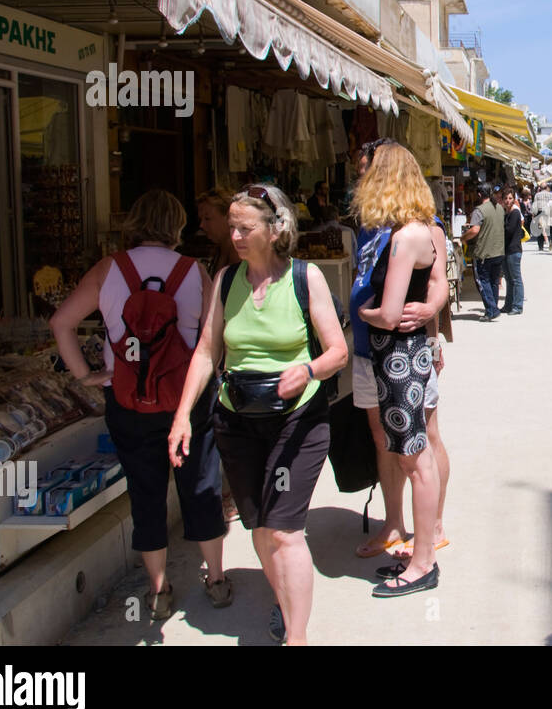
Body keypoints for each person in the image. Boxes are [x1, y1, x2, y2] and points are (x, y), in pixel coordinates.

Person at [170, 184, 347, 645]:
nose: (235, 236)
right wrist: (183, 414)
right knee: (261, 527)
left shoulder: (306, 279)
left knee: (285, 530)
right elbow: (207, 353)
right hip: (237, 421)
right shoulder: (227, 281)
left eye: (245, 228)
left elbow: (338, 353)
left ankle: (296, 635)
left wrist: (306, 369)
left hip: (298, 422)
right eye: (231, 227)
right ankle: (283, 599)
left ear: (275, 229)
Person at [50, 190, 229, 621]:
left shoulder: (109, 269)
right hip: (186, 400)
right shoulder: (192, 271)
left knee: (144, 492)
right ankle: (217, 579)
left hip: (128, 400)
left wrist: (86, 376)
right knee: (201, 485)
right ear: (176, 226)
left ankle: (158, 589)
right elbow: (214, 340)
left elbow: (60, 323)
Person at [353, 143, 444, 597]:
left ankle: (422, 563)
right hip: (414, 355)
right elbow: (440, 286)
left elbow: (388, 314)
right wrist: (427, 307)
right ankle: (421, 553)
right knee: (418, 456)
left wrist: (363, 313)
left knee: (415, 461)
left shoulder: (404, 237)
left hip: (396, 356)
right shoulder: (427, 231)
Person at [196, 186, 241, 523]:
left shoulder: (237, 258)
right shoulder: (220, 254)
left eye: (208, 217)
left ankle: (235, 494)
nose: (202, 225)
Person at [461, 184, 505, 321]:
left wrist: (463, 238)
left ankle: (491, 310)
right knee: (493, 281)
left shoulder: (479, 210)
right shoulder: (499, 207)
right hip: (498, 251)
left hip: (484, 253)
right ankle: (493, 307)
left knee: (483, 281)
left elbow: (474, 230)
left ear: (479, 194)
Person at [502, 188, 525, 314]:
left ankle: (517, 306)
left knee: (516, 279)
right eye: (506, 198)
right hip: (506, 250)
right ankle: (508, 305)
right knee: (509, 279)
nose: (507, 201)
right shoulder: (506, 213)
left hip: (513, 250)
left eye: (510, 198)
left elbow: (509, 231)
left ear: (514, 199)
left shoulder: (515, 213)